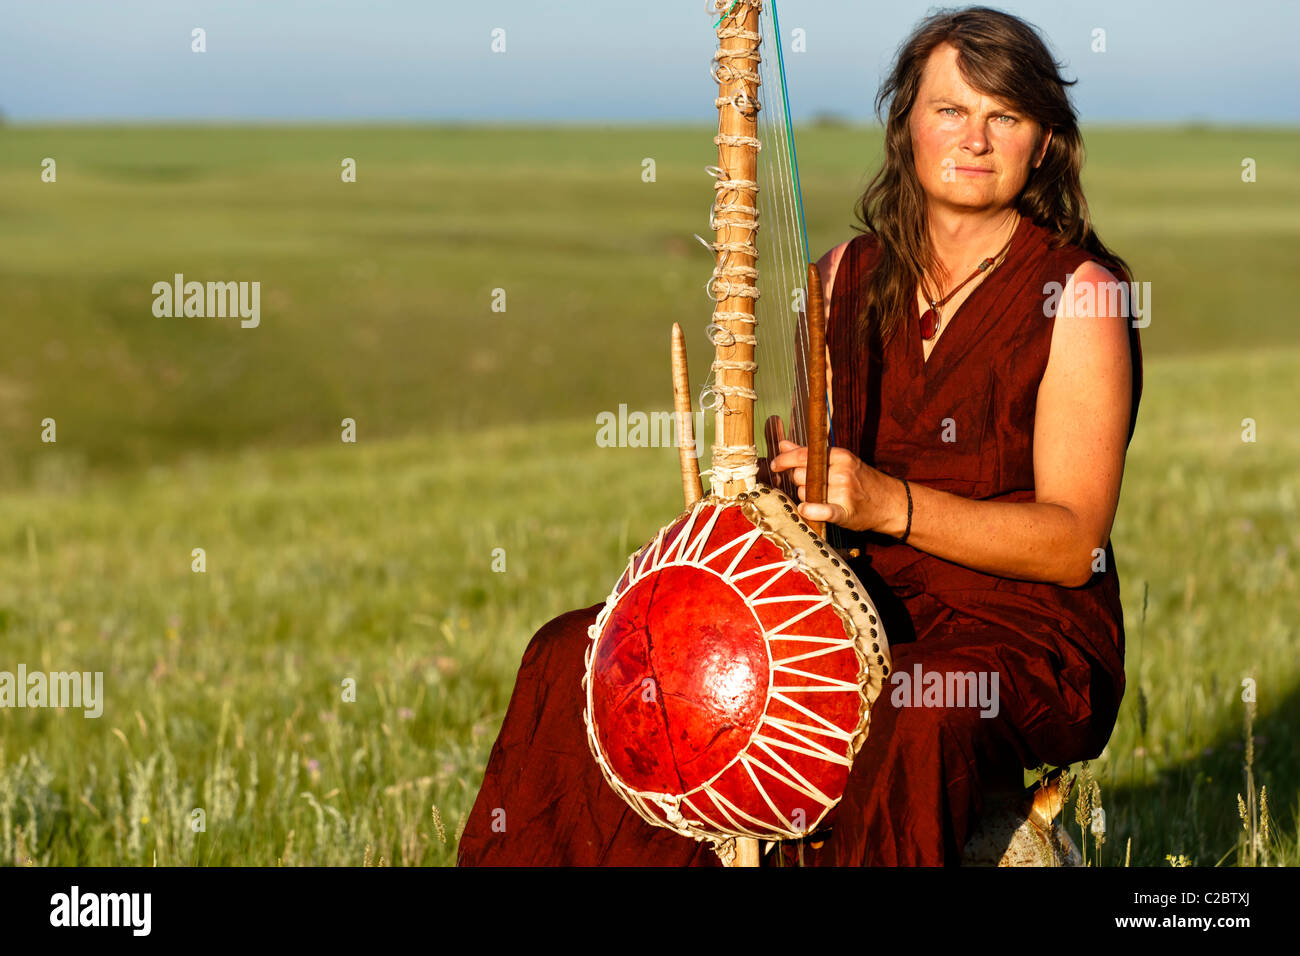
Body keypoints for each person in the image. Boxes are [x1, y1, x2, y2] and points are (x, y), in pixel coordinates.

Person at [457, 5, 1143, 866]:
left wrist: (887, 504)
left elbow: (1072, 544)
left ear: (1042, 142)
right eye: (949, 110)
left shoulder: (1080, 295)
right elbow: (809, 495)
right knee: (583, 656)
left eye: (1003, 116)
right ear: (907, 130)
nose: (974, 138)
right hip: (852, 606)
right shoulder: (837, 280)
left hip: (1021, 631)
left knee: (916, 702)